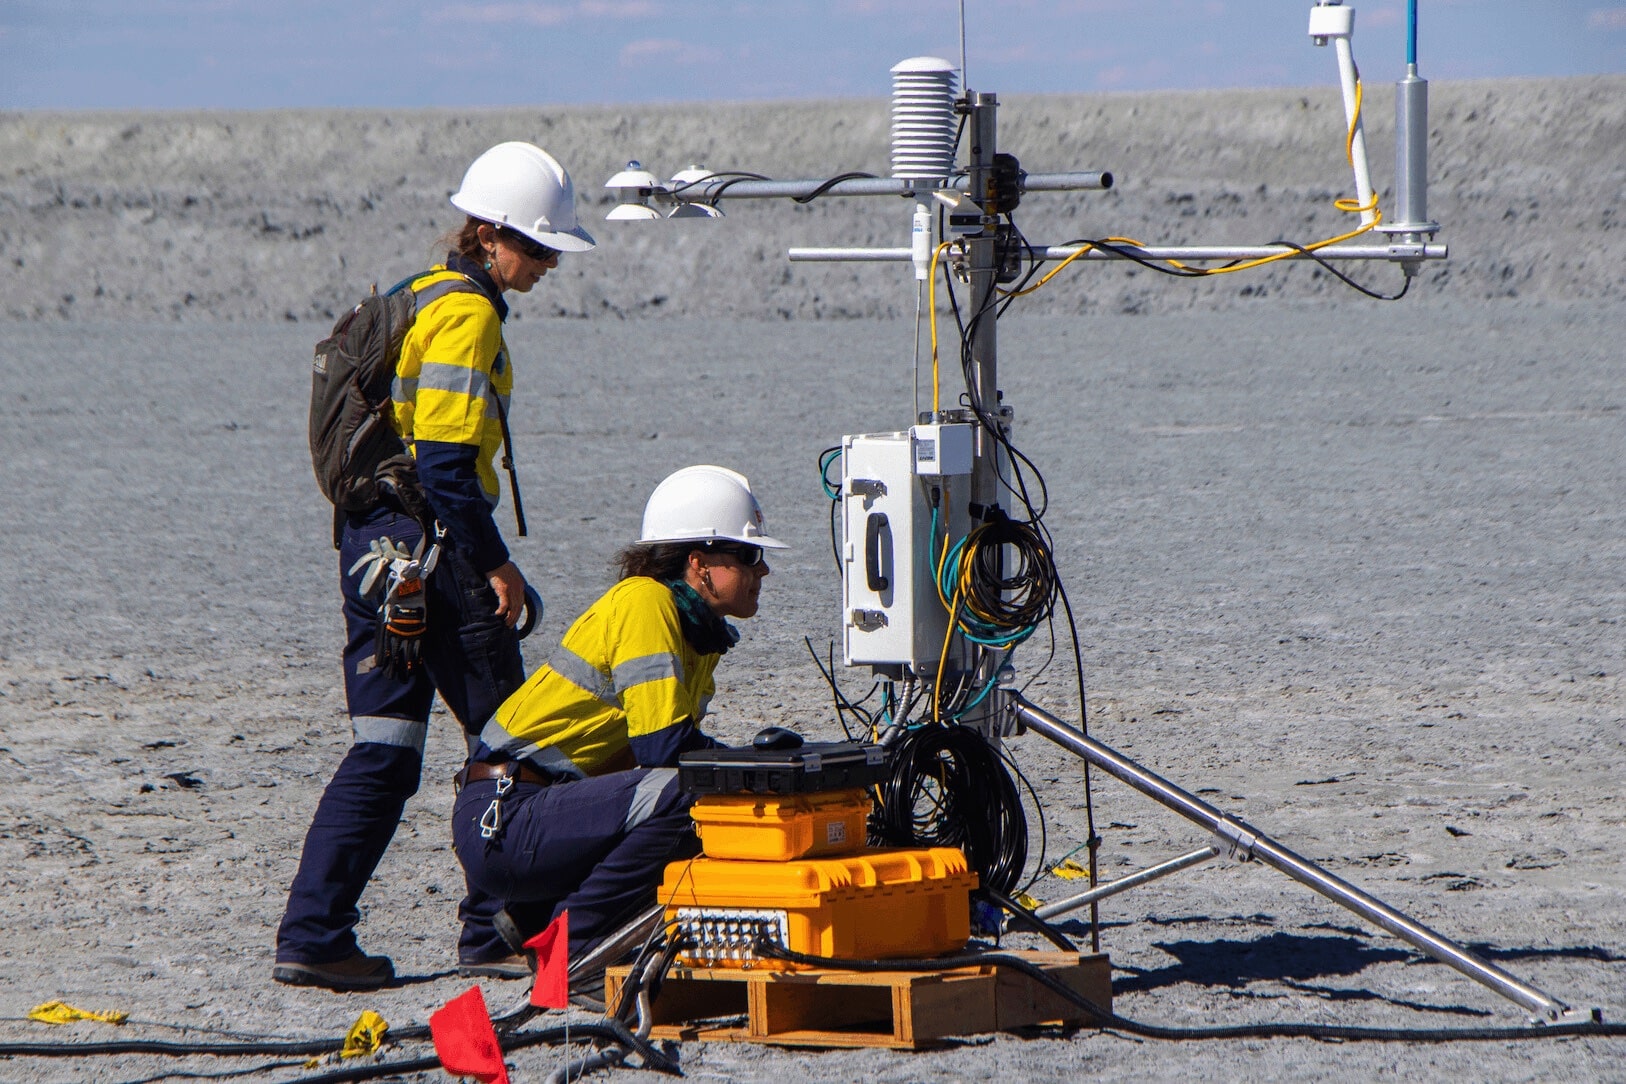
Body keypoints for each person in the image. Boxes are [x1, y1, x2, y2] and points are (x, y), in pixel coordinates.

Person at [273, 142, 597, 991]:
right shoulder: (468, 314)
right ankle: (498, 929)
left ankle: (313, 933)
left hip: (373, 551)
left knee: (383, 749)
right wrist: (498, 568)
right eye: (537, 247)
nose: (548, 264)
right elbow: (448, 464)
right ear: (488, 236)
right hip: (434, 549)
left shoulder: (415, 295)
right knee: (518, 738)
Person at [450, 465, 786, 977]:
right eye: (748, 556)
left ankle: (498, 931)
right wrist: (761, 767)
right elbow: (663, 750)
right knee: (688, 794)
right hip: (507, 818)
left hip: (512, 812)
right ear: (698, 563)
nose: (761, 571)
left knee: (684, 792)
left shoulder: (697, 631)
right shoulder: (647, 603)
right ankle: (573, 950)